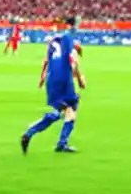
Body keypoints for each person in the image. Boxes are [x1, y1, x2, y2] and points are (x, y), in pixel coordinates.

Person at [20, 17, 87, 154]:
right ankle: (60, 143)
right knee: (71, 110)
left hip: (51, 81)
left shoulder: (53, 41)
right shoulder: (69, 40)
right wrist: (80, 79)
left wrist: (42, 77)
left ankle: (30, 134)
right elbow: (72, 62)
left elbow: (46, 60)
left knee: (64, 111)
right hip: (63, 81)